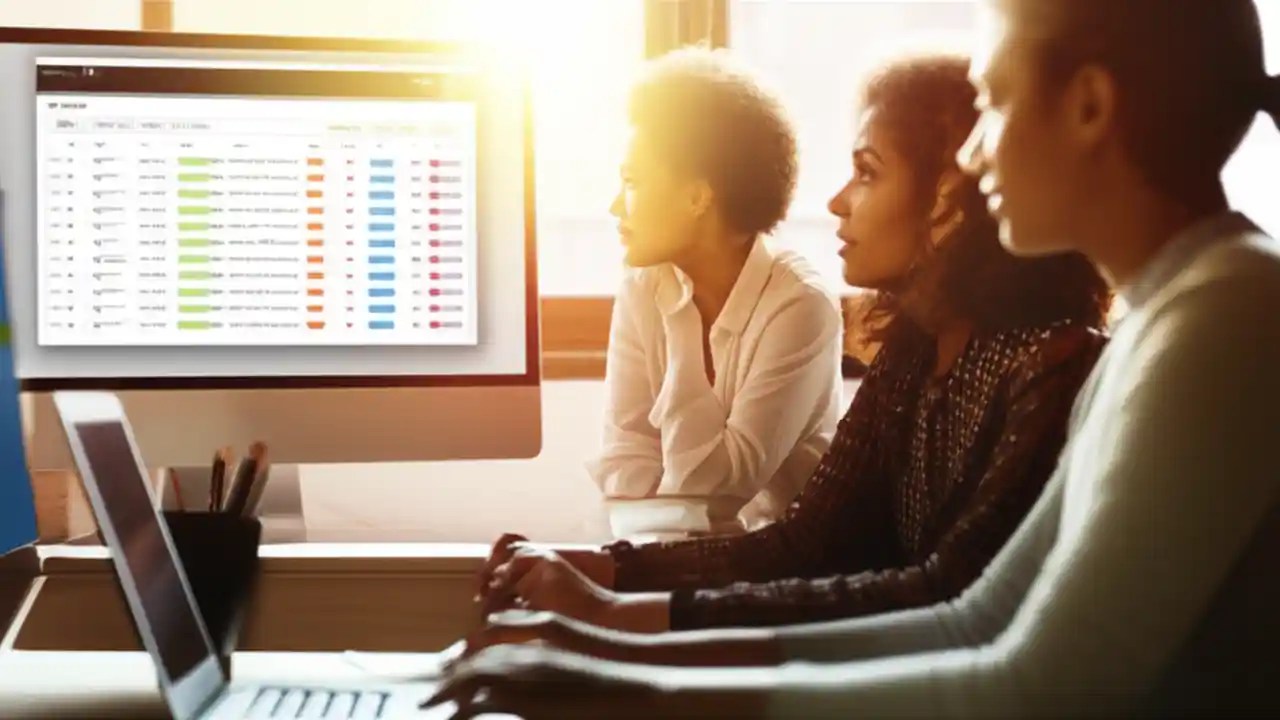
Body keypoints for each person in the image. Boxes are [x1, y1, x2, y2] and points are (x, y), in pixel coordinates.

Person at [432, 0, 1280, 717]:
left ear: (1089, 108)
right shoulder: (1172, 317)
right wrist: (609, 641)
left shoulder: (1225, 319)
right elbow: (973, 620)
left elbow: (1037, 684)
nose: (973, 158)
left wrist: (629, 684)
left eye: (992, 103)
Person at [474, 55, 1109, 637]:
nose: (836, 202)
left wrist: (611, 608)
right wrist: (597, 567)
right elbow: (801, 544)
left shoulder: (1052, 367)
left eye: (866, 173)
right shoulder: (917, 349)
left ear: (952, 198)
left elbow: (940, 597)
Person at [587, 48, 843, 539]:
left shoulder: (799, 305)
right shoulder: (643, 285)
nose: (616, 205)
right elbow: (625, 456)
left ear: (697, 197)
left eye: (633, 181)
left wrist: (682, 325)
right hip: (680, 553)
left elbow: (723, 488)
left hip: (791, 565)